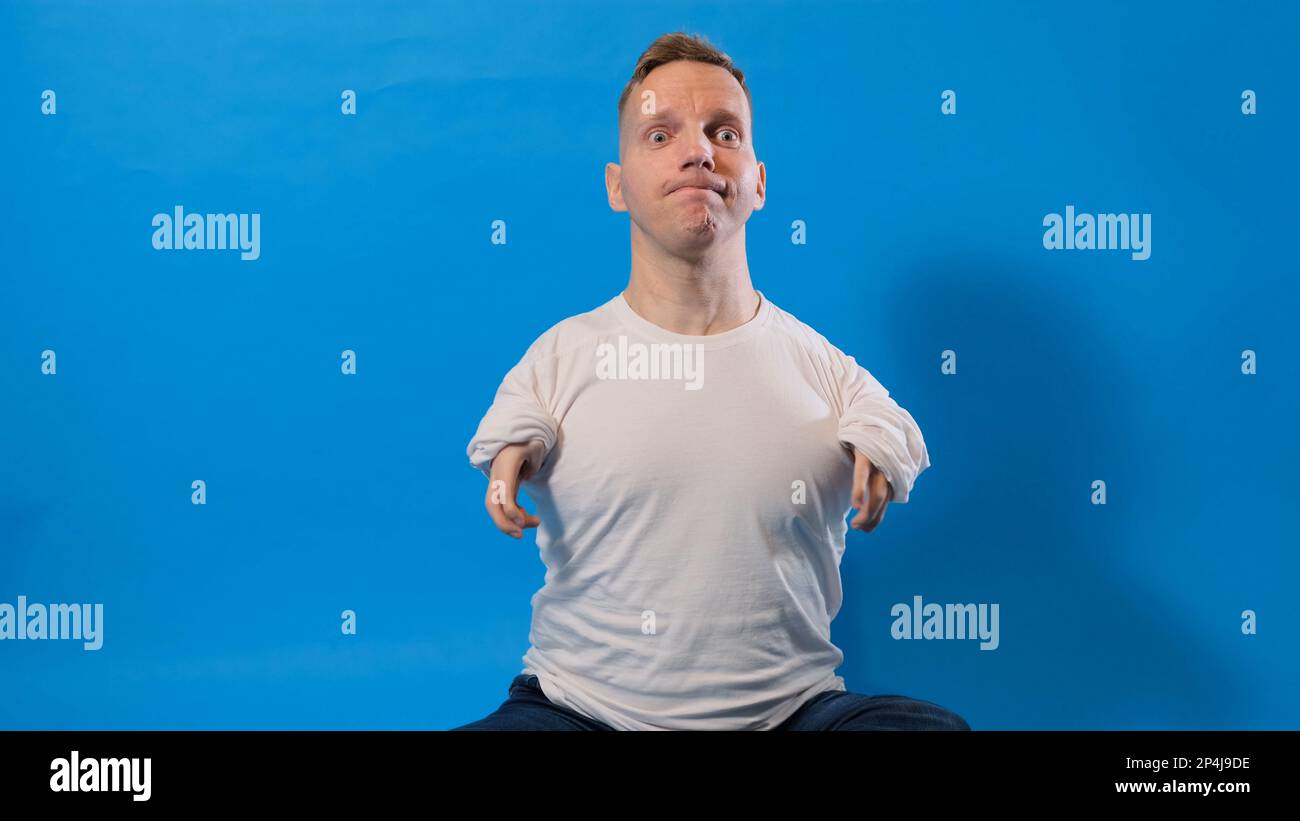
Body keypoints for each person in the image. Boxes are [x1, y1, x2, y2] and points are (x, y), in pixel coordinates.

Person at [454, 32, 969, 731]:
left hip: (791, 715)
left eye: (723, 132)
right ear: (617, 184)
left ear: (758, 179)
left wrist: (880, 450)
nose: (697, 151)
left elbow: (892, 426)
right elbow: (510, 429)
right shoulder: (561, 353)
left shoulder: (820, 363)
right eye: (660, 134)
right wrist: (510, 458)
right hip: (581, 713)